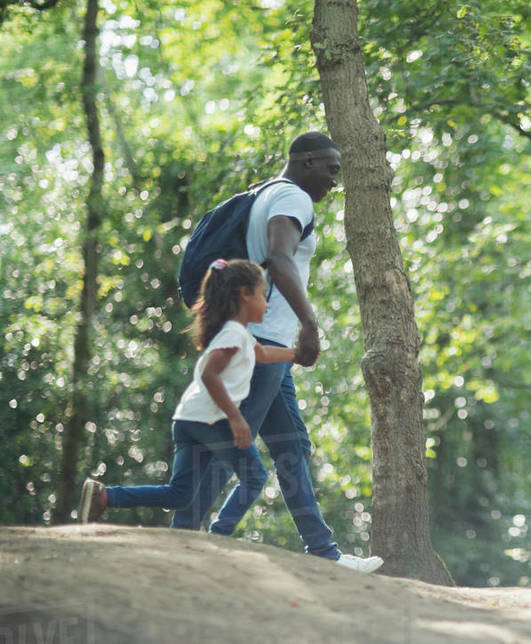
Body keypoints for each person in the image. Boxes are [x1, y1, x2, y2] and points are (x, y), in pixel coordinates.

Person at [171, 131, 382, 573]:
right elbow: (281, 258)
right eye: (330, 169)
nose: (334, 180)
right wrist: (310, 324)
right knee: (231, 441)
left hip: (265, 341)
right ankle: (183, 542)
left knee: (292, 445)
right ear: (307, 161)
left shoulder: (264, 192)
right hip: (259, 341)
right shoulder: (293, 200)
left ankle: (324, 554)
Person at [78, 260, 282, 534]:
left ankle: (105, 496)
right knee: (255, 475)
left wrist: (297, 355)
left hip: (189, 419)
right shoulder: (234, 334)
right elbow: (210, 375)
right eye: (262, 293)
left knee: (180, 494)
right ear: (245, 294)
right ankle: (219, 533)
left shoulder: (238, 334)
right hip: (213, 419)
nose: (266, 303)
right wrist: (236, 418)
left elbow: (265, 354)